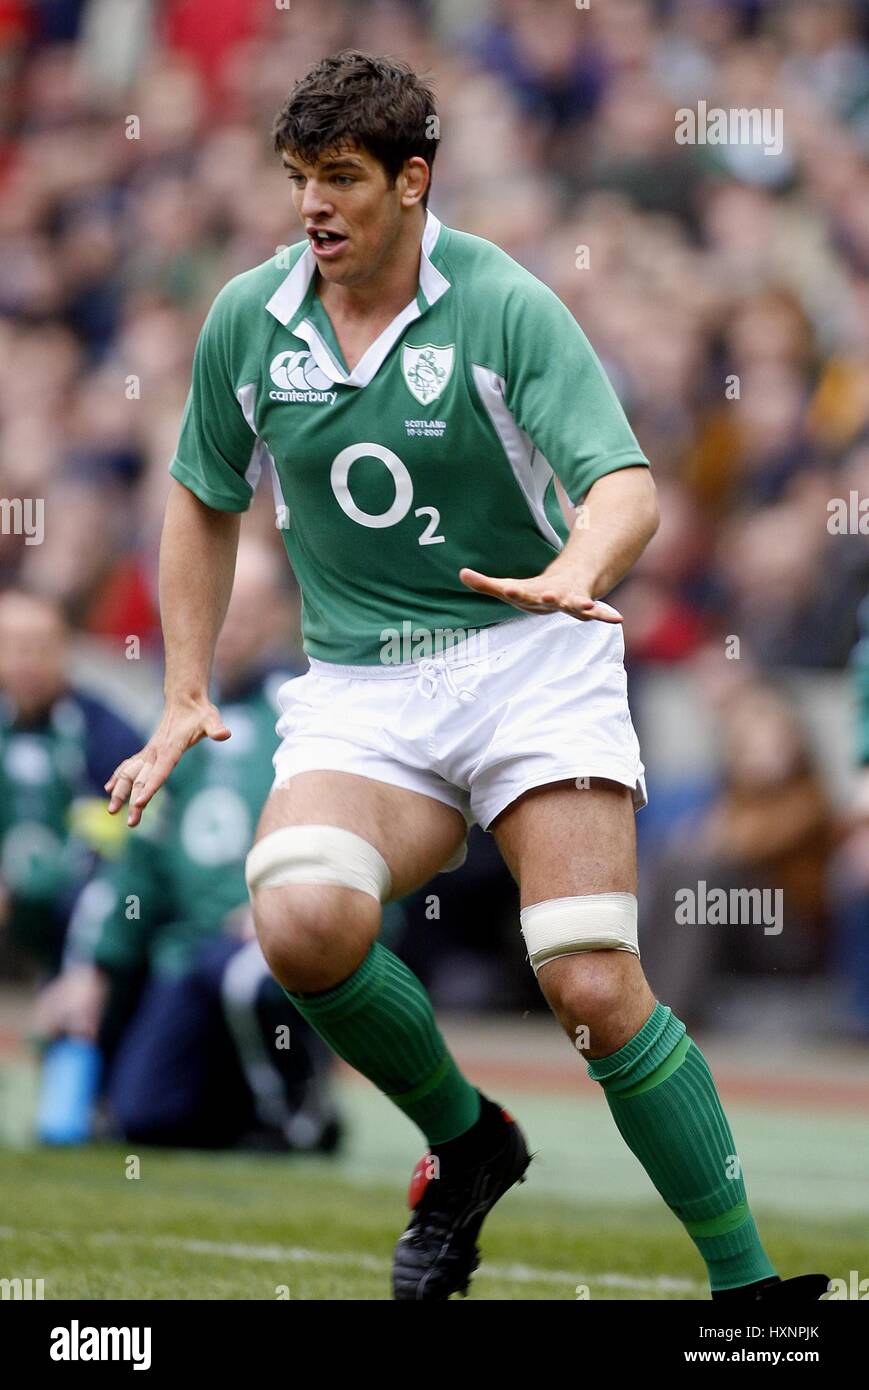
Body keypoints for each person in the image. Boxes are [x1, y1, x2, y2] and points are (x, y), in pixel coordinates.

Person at [105, 50, 828, 1302]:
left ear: (413, 179)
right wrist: (182, 685)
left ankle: (749, 1295)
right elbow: (201, 495)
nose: (313, 206)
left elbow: (624, 485)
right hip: (361, 681)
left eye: (341, 177)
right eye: (297, 178)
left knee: (588, 977)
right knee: (297, 914)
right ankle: (469, 1140)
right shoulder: (247, 318)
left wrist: (575, 564)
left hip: (526, 657)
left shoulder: (501, 303)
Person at [41, 539, 342, 1152]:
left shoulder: (311, 709)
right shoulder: (181, 714)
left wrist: (287, 903)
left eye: (245, 610)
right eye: (220, 606)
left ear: (279, 617)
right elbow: (139, 856)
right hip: (186, 948)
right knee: (147, 1120)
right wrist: (90, 967)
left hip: (277, 935)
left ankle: (302, 1115)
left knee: (246, 979)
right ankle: (220, 1107)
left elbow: (350, 827)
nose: (228, 626)